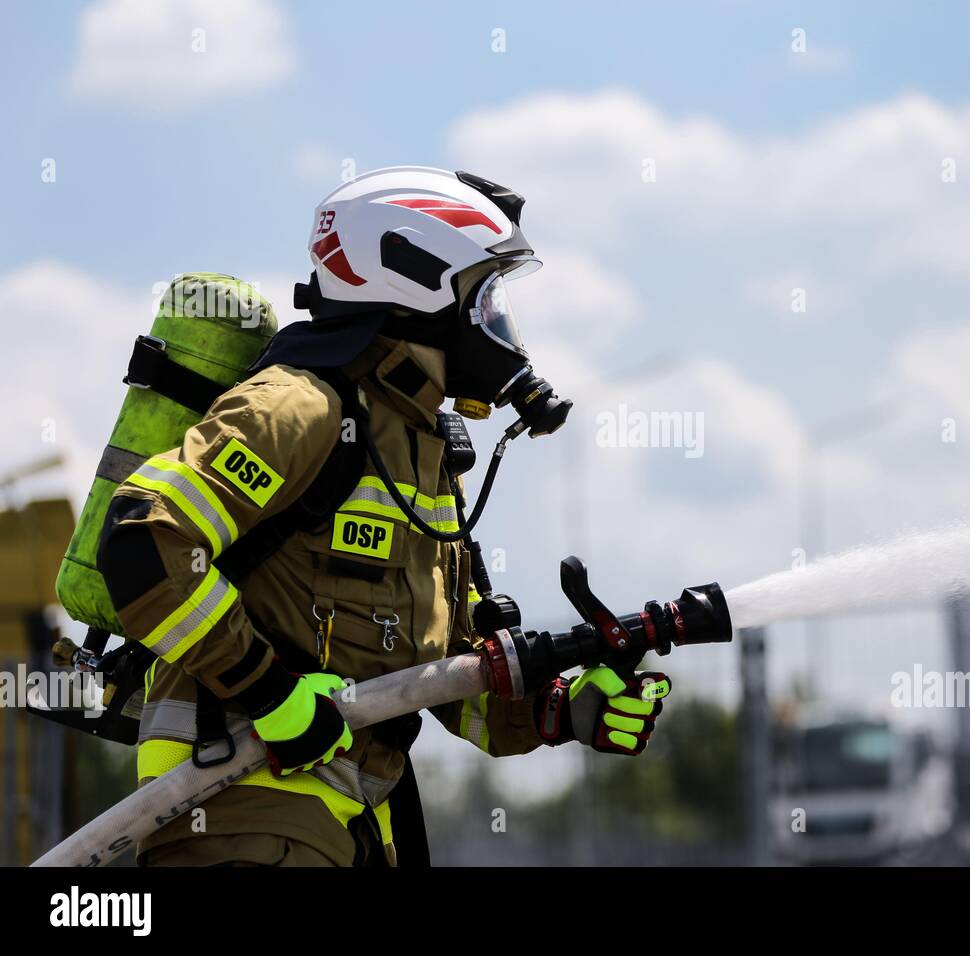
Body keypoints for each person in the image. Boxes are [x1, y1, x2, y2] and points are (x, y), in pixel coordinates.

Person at [97, 167, 670, 867]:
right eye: (482, 296)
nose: (497, 323)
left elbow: (447, 679)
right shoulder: (298, 407)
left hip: (357, 817)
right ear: (415, 279)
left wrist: (569, 708)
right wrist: (269, 692)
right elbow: (143, 539)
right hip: (240, 801)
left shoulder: (420, 453)